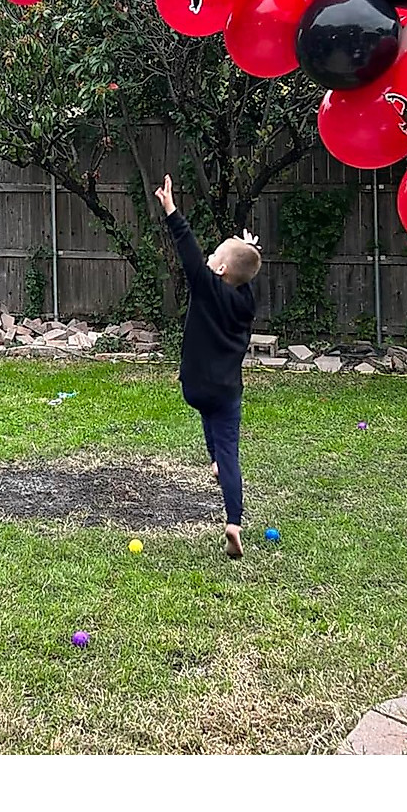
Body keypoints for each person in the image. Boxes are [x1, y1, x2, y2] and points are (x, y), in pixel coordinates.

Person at [155, 174, 261, 559]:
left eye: (214, 256)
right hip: (227, 389)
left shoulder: (204, 285)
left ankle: (214, 461)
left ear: (217, 271)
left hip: (195, 385)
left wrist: (171, 209)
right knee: (229, 447)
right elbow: (243, 273)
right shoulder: (245, 303)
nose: (208, 258)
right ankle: (233, 521)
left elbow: (187, 249)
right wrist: (245, 251)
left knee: (206, 415)